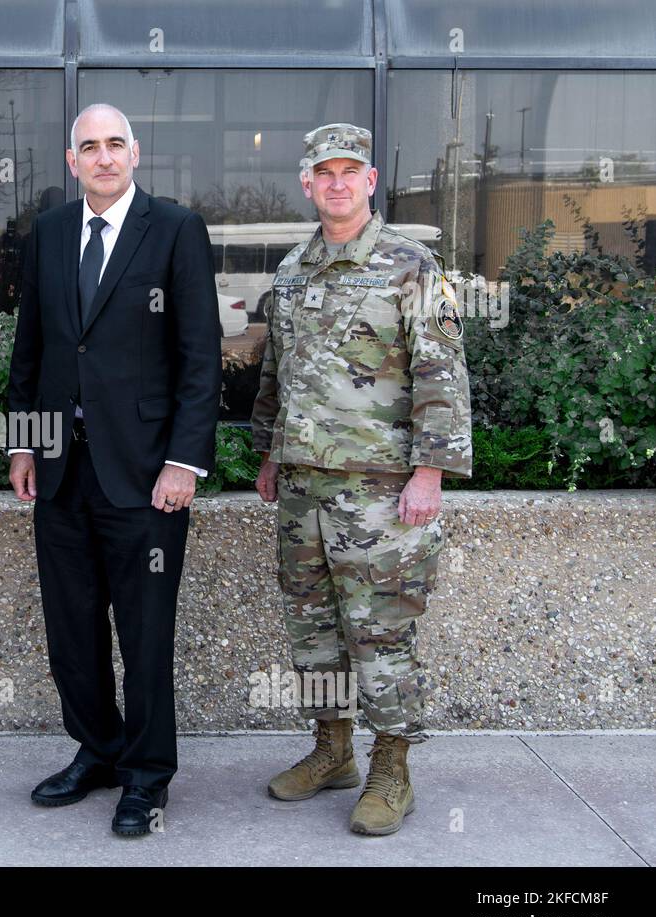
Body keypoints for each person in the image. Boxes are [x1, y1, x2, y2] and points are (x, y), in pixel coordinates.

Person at [251, 123, 472, 836]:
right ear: (308, 184)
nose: (338, 183)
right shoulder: (291, 271)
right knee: (313, 632)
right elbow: (273, 374)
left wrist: (430, 472)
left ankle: (392, 770)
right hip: (303, 491)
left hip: (381, 493)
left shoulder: (411, 265)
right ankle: (332, 751)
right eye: (325, 172)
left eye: (351, 171)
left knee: (381, 636)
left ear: (370, 182)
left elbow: (442, 373)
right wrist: (267, 454)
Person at [7, 103, 222, 836]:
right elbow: (31, 349)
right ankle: (96, 752)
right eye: (88, 147)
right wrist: (24, 444)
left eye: (114, 145)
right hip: (63, 473)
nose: (102, 158)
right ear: (72, 162)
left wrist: (184, 462)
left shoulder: (176, 230)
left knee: (144, 633)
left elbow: (200, 357)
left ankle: (146, 776)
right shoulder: (51, 234)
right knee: (72, 633)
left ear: (136, 153)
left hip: (147, 479)